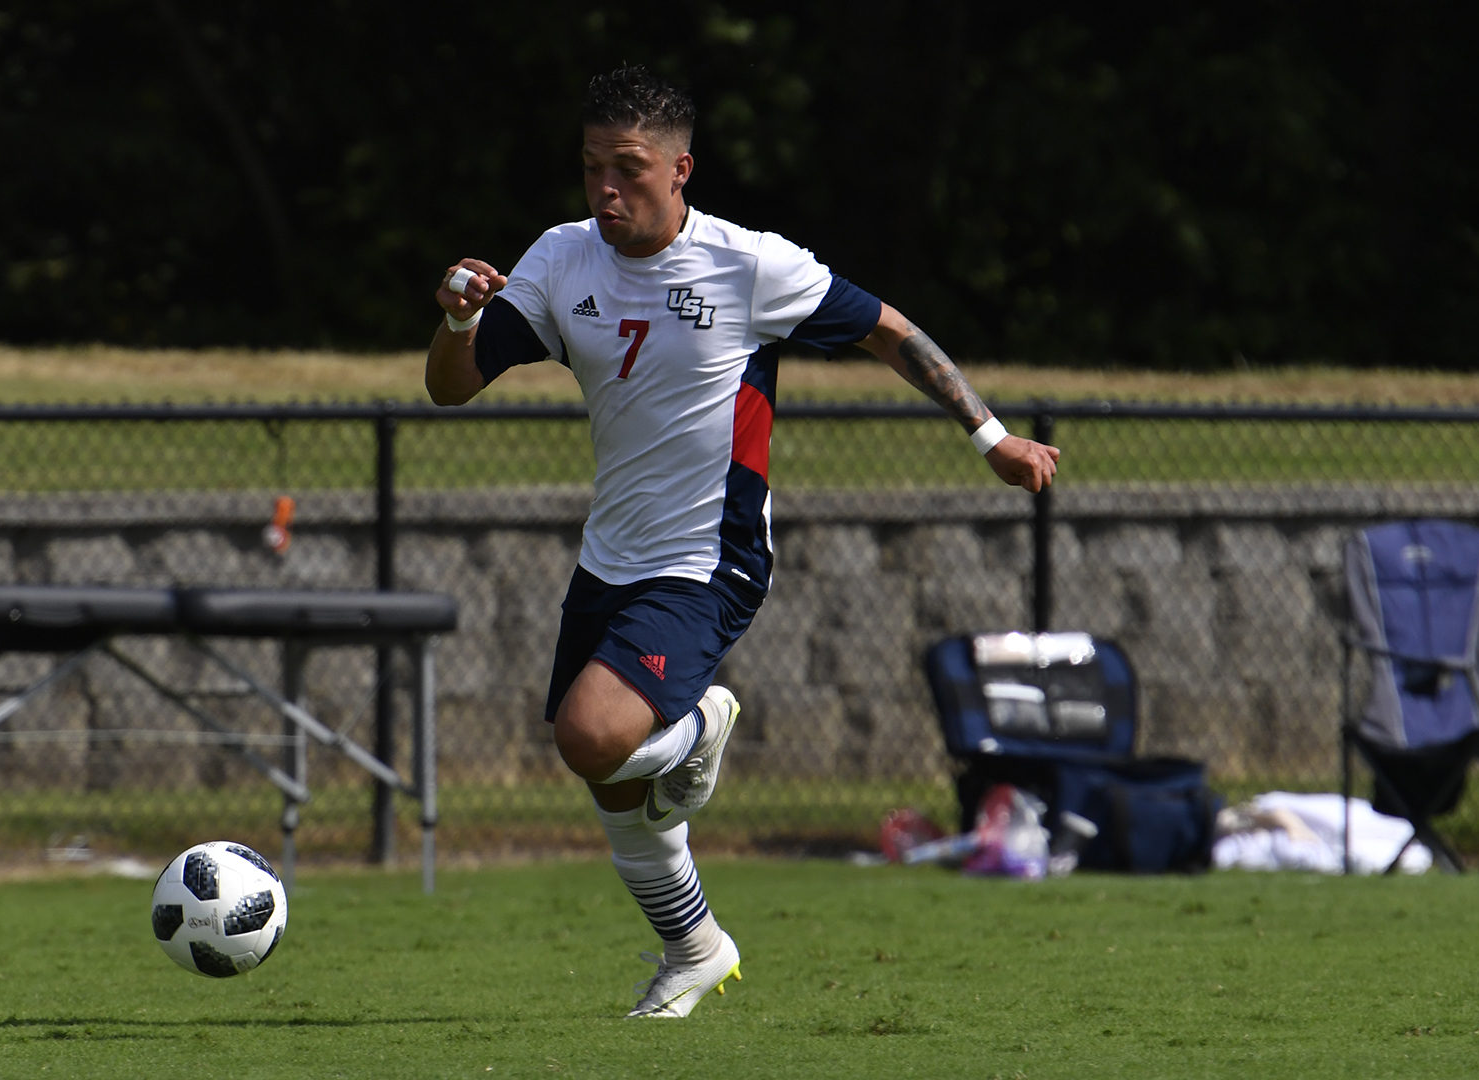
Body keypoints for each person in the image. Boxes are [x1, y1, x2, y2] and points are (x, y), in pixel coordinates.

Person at [426, 64, 1058, 1018]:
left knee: (591, 737)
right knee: (608, 786)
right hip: (611, 557)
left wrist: (991, 435)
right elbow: (452, 385)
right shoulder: (562, 260)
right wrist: (456, 317)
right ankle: (694, 948)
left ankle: (695, 734)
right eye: (592, 166)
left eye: (628, 169)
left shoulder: (747, 265)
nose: (606, 189)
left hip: (709, 559)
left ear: (681, 169)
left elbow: (889, 329)